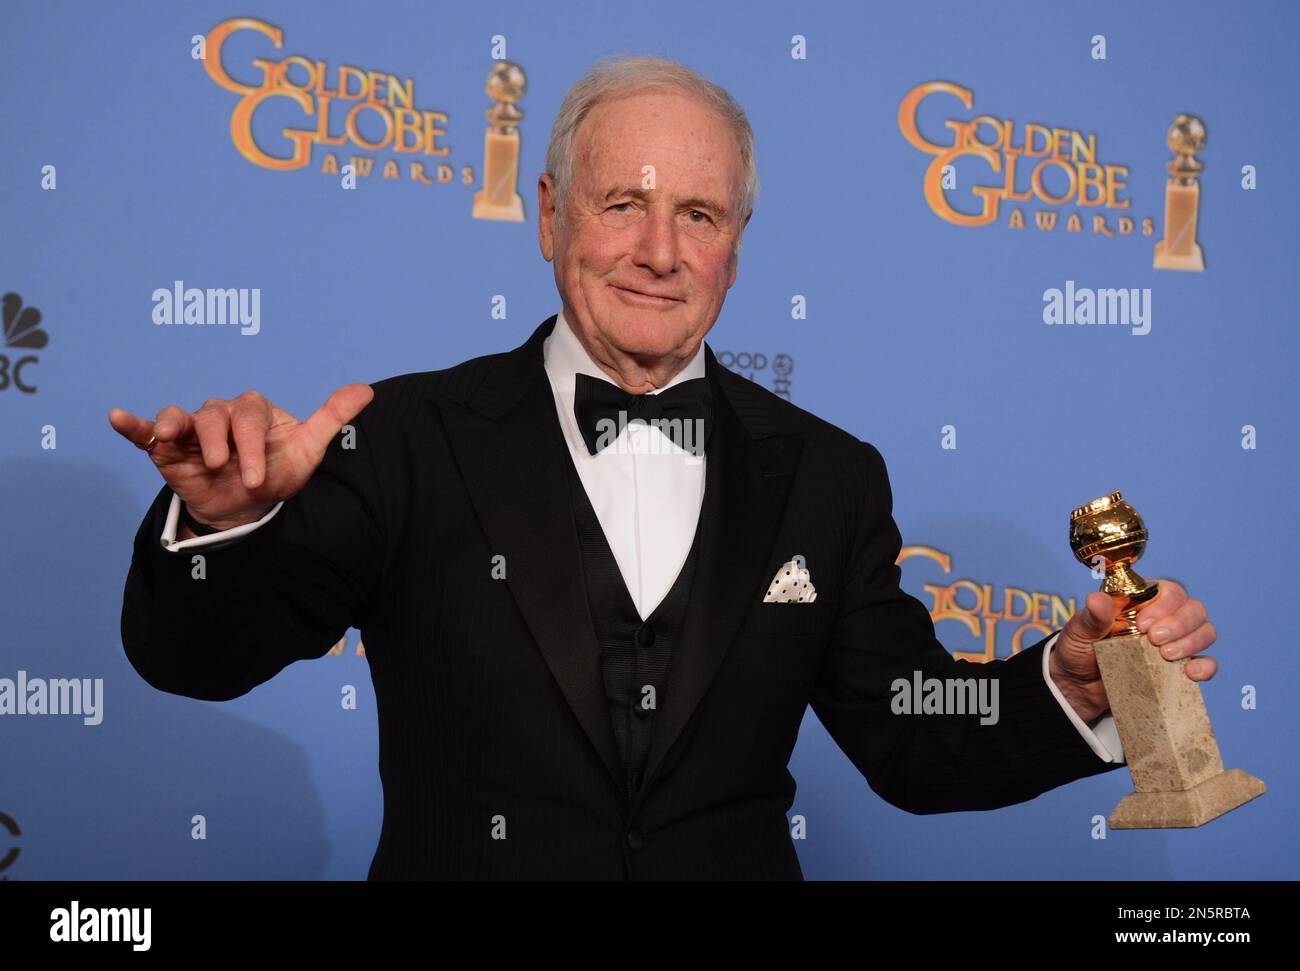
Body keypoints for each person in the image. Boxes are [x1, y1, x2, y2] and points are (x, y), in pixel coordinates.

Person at [111, 55, 1219, 880]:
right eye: (622, 204)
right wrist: (219, 533)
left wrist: (1063, 683)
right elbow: (195, 658)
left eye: (698, 213)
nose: (659, 251)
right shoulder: (405, 434)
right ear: (549, 217)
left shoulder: (828, 476)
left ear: (737, 241)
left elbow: (911, 732)